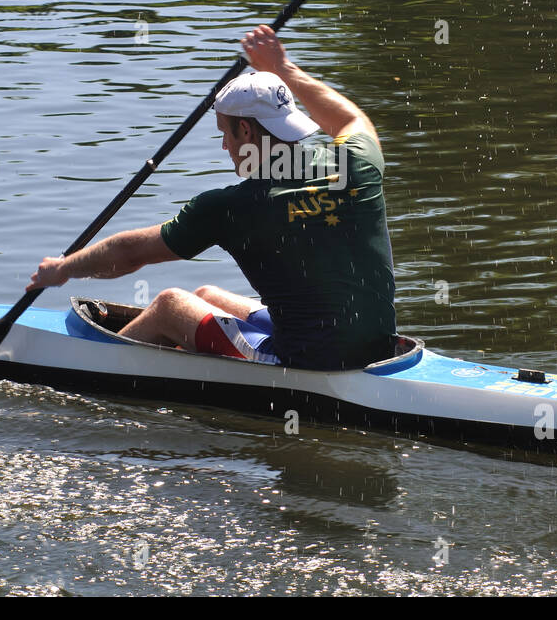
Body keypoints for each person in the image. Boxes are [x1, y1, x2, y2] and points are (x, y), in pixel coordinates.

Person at [27, 24, 396, 370]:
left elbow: (129, 254)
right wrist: (282, 67)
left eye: (226, 133)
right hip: (379, 348)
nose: (224, 146)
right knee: (207, 295)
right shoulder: (356, 163)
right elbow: (351, 119)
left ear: (246, 130)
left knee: (170, 305)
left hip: (306, 361)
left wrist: (63, 269)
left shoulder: (230, 207)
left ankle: (93, 377)